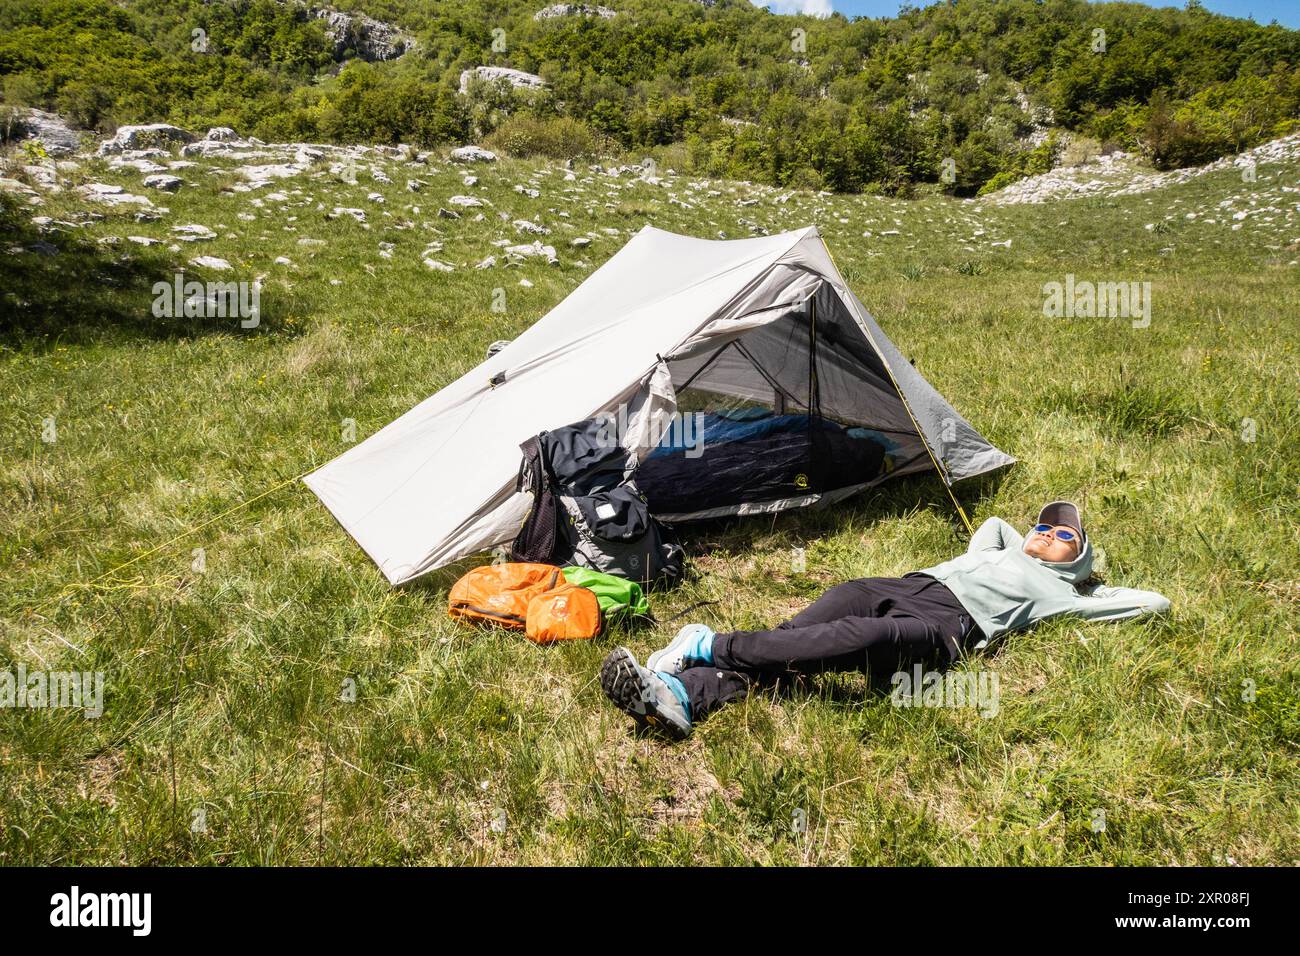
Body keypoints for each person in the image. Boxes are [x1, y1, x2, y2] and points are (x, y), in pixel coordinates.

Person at [599, 501, 1170, 740]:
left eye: (1063, 534)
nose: (1046, 534)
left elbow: (1155, 605)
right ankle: (680, 694)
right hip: (909, 583)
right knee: (809, 636)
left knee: (859, 639)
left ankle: (710, 647)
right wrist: (1024, 546)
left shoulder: (1058, 592)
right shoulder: (1009, 547)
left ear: (1082, 557)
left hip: (947, 626)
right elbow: (996, 523)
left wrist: (1089, 584)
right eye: (1043, 526)